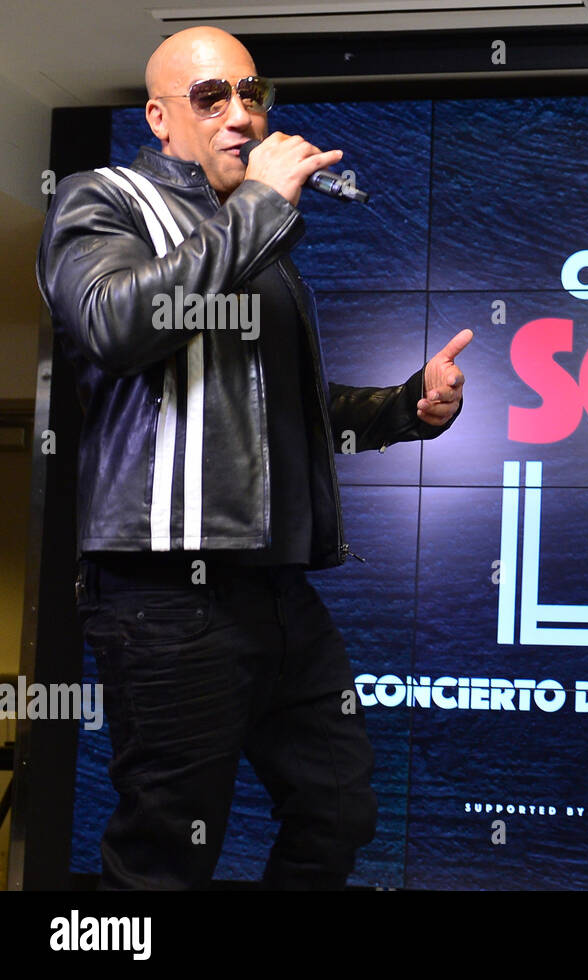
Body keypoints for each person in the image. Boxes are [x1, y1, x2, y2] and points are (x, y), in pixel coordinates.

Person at [35, 26, 470, 888]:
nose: (242, 114)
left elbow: (282, 409)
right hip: (163, 592)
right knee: (168, 852)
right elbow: (116, 326)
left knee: (339, 808)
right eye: (212, 98)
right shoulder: (103, 199)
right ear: (160, 119)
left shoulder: (252, 245)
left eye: (251, 94)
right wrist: (262, 207)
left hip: (276, 591)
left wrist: (404, 407)